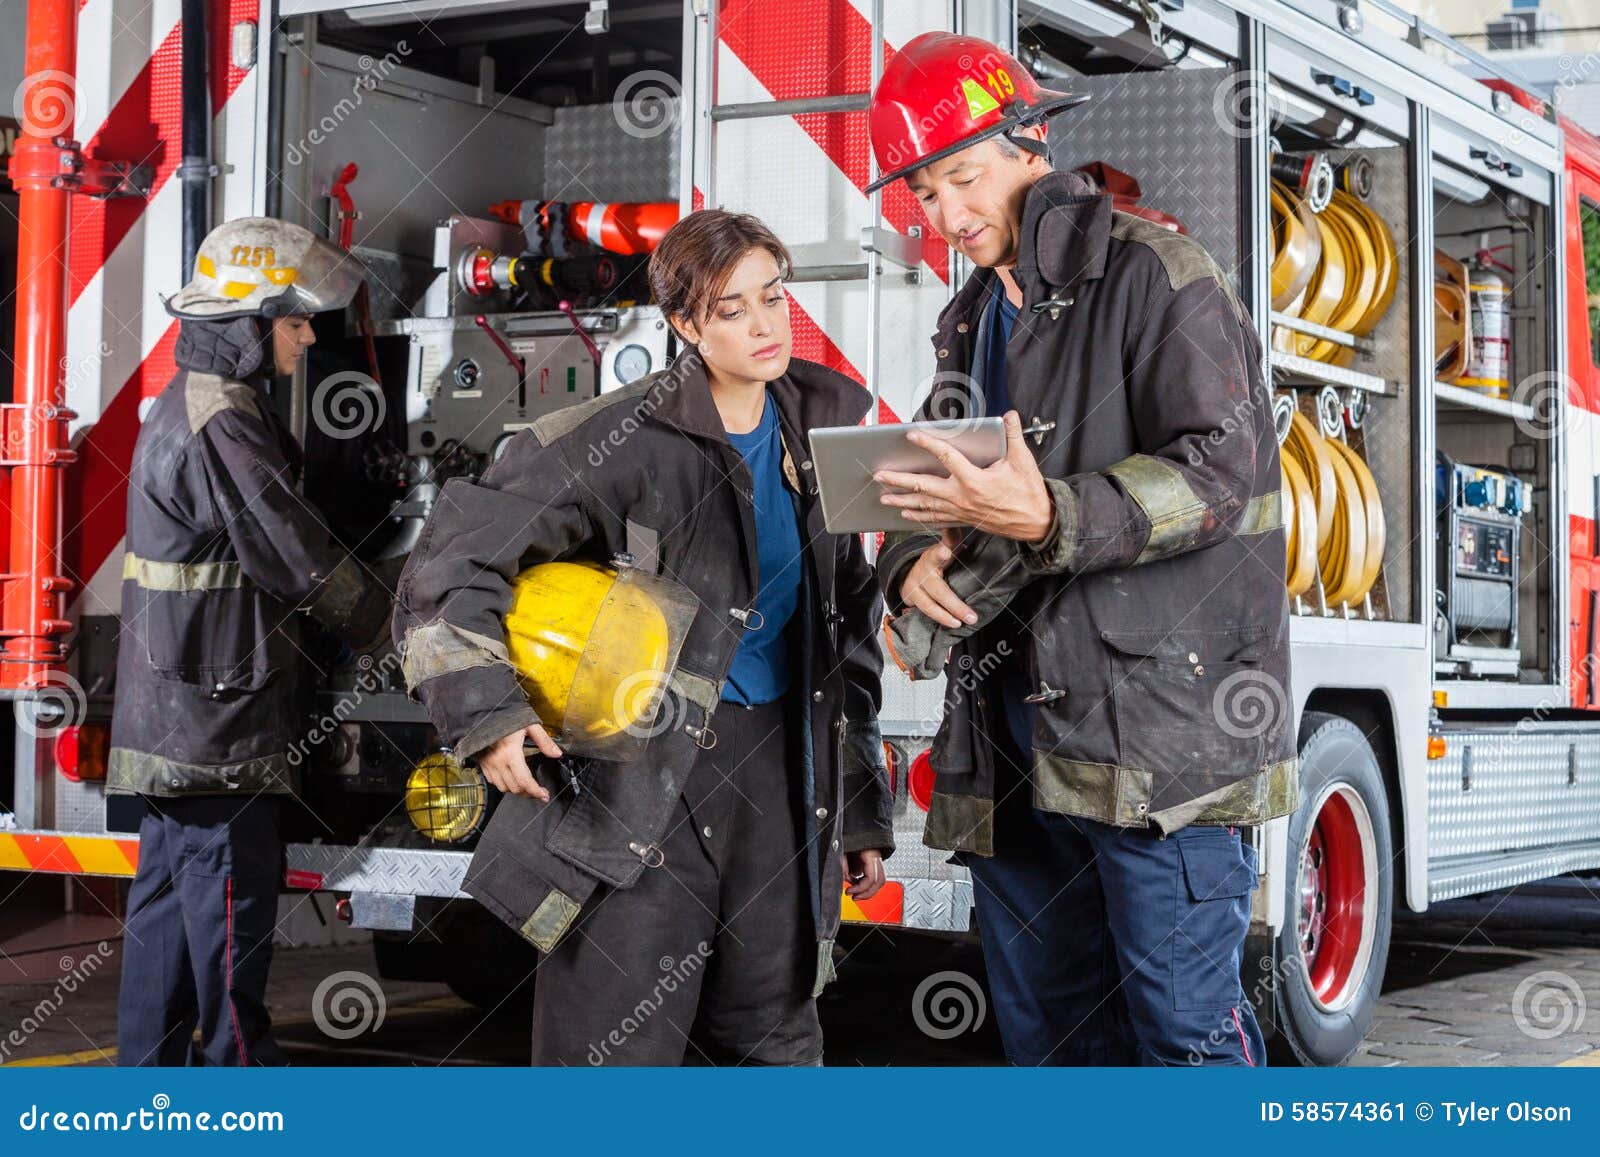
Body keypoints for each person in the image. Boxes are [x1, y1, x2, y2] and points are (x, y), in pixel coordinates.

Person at [868, 33, 1295, 1066]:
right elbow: (939, 474)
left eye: (963, 177)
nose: (948, 214)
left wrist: (1052, 515)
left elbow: (1221, 474)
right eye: (924, 194)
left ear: (1030, 144)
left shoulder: (1158, 275)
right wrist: (906, 561)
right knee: (1049, 1035)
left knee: (1181, 1033)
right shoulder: (972, 316)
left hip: (1155, 740)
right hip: (1012, 744)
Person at [394, 209, 894, 1066]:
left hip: (780, 783)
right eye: (732, 308)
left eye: (772, 296)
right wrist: (488, 714)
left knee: (776, 1045)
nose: (764, 323)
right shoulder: (617, 439)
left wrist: (857, 807)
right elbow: (447, 570)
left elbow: (846, 638)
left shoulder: (824, 434)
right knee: (612, 1057)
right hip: (640, 788)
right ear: (686, 325)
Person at [110, 218, 390, 1065]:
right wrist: (398, 631)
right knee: (231, 935)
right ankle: (242, 1099)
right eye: (294, 320)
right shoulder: (222, 417)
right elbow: (296, 557)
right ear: (248, 321)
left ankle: (147, 1099)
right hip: (218, 727)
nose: (306, 337)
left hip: (181, 721)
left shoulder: (193, 401)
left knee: (167, 926)